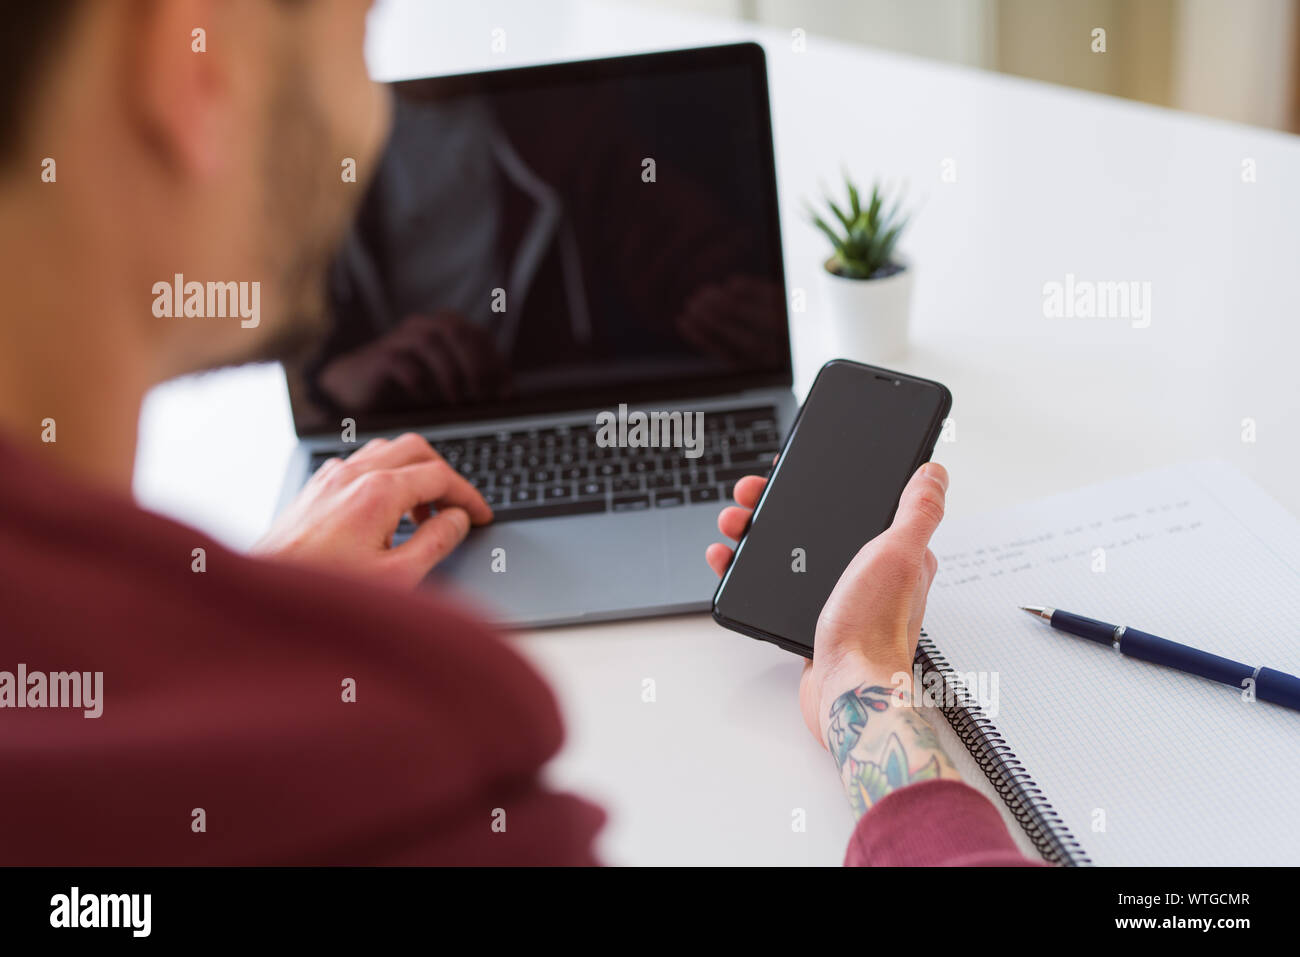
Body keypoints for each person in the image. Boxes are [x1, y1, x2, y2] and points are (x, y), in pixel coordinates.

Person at [0, 0, 1036, 866]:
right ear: (197, 60)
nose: (374, 120)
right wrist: (863, 688)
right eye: (361, 31)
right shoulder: (418, 804)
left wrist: (230, 627)